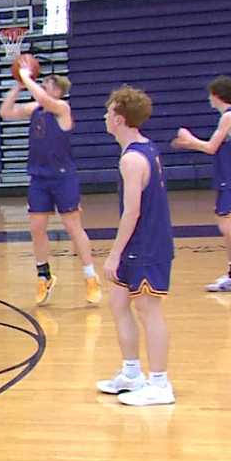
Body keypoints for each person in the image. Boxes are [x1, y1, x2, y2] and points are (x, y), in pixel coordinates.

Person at [96, 86, 176, 406]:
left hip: (146, 244)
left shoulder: (131, 159)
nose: (105, 117)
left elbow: (132, 212)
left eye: (108, 112)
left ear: (118, 119)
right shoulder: (146, 147)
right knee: (118, 303)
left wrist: (113, 254)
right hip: (139, 243)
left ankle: (160, 384)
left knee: (148, 310)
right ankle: (131, 373)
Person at [1, 66, 102, 306]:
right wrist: (17, 85)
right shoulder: (36, 108)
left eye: (47, 84)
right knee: (36, 228)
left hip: (63, 177)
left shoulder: (62, 108)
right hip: (39, 178)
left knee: (73, 227)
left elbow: (44, 98)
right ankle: (44, 276)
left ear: (57, 90)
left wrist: (26, 76)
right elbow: (5, 112)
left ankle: (90, 276)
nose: (43, 86)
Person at [171, 75, 231, 292]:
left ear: (216, 95)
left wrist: (189, 139)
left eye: (210, 95)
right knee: (230, 227)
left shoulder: (229, 116)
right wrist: (189, 144)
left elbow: (211, 147)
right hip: (230, 179)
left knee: (227, 227)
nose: (208, 99)